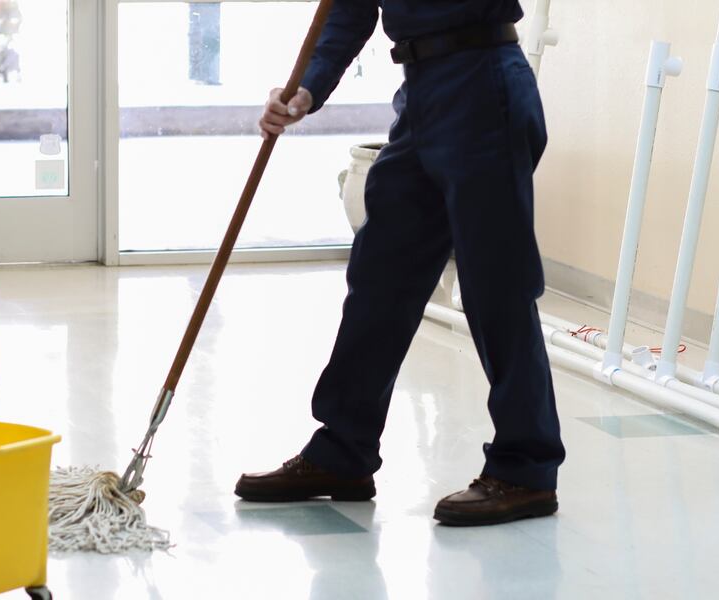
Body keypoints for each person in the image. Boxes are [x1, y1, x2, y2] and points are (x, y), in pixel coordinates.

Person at [234, 0, 566, 526]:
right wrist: (307, 89)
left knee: (495, 285)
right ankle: (343, 451)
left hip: (483, 82)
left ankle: (526, 467)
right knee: (379, 277)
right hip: (421, 94)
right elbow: (348, 11)